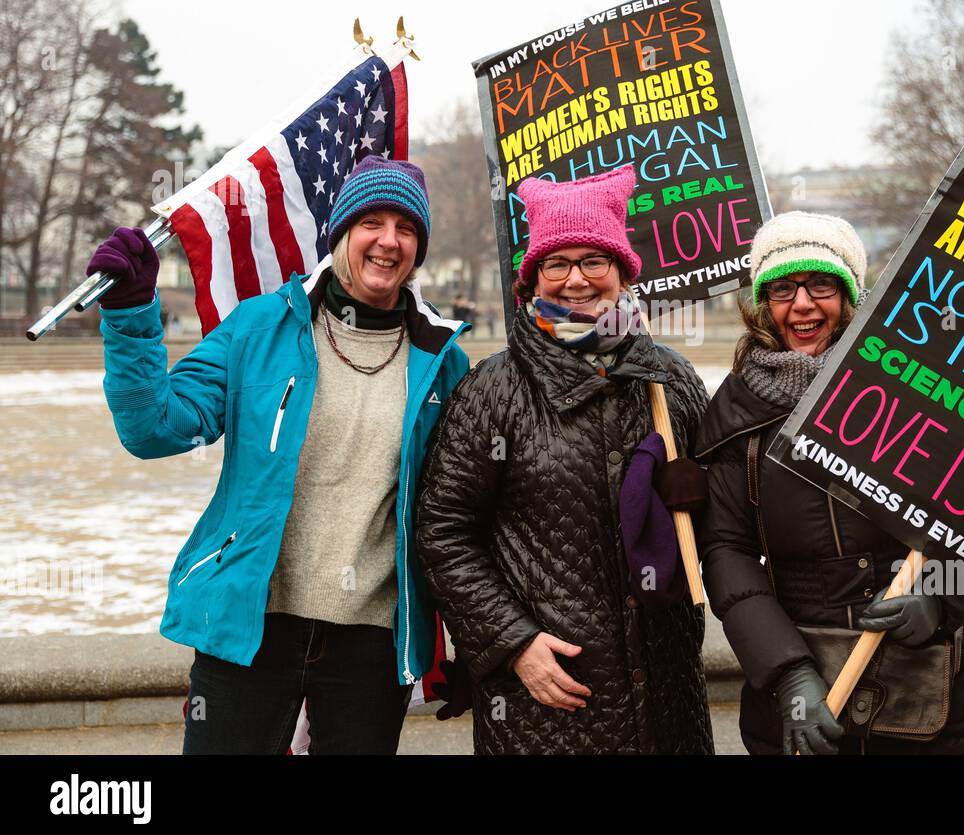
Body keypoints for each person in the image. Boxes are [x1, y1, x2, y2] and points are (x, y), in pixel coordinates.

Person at [90, 156, 470, 754]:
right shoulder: (259, 327)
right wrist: (133, 319)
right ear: (340, 231)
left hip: (371, 643)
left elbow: (459, 512)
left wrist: (471, 641)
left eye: (406, 228)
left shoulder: (443, 360)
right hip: (251, 624)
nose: (388, 241)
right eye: (372, 221)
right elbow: (156, 428)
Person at [415, 164, 714, 754]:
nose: (576, 280)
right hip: (543, 706)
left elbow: (724, 529)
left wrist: (702, 495)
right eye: (557, 263)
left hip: (667, 697)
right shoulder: (492, 390)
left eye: (593, 262)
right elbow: (442, 532)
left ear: (622, 272)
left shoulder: (670, 380)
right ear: (533, 279)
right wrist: (513, 642)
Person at [693, 211, 964, 755]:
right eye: (784, 288)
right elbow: (727, 552)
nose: (804, 303)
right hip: (804, 693)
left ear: (850, 297)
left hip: (944, 705)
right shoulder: (736, 410)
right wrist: (786, 671)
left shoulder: (924, 389)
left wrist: (939, 599)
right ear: (763, 304)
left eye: (821, 285)